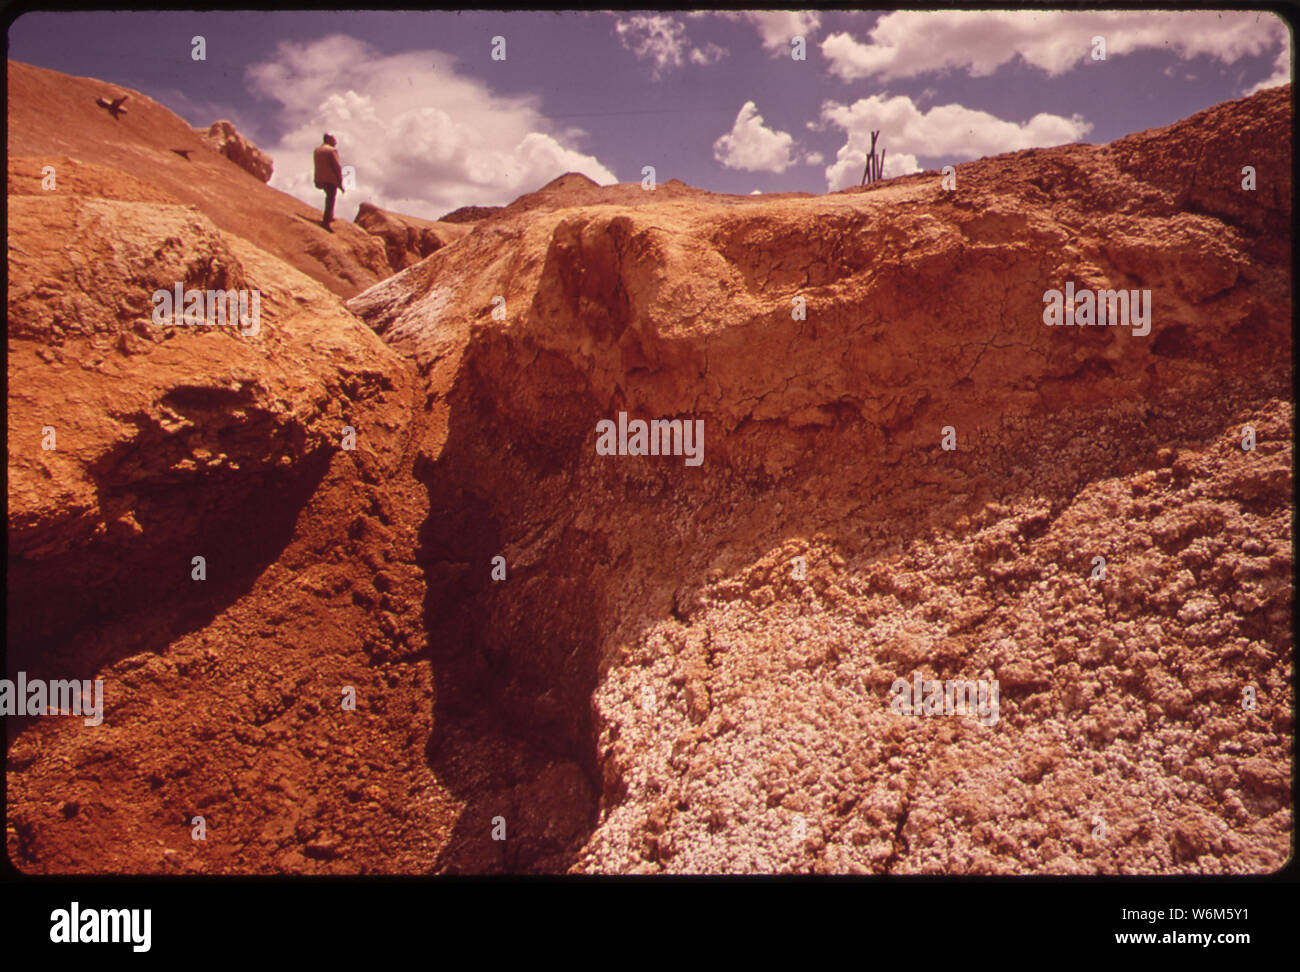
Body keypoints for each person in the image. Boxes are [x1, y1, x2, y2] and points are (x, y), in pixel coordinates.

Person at [313, 133, 345, 230]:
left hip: (319, 178)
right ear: (329, 140)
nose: (336, 142)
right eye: (334, 140)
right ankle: (326, 221)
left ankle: (329, 216)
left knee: (329, 197)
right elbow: (337, 167)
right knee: (330, 199)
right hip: (330, 179)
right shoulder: (332, 150)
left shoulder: (317, 150)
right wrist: (340, 182)